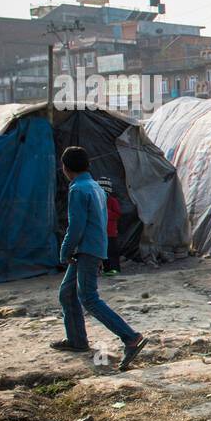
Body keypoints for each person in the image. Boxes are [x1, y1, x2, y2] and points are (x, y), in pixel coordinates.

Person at [52, 147, 146, 370]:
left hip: (86, 249)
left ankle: (130, 337)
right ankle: (77, 340)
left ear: (65, 168)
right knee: (67, 293)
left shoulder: (78, 190)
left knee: (88, 297)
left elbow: (75, 226)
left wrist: (65, 251)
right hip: (94, 247)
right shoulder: (94, 187)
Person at [97, 176, 122, 276]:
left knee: (112, 252)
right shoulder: (96, 201)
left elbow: (117, 214)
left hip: (111, 232)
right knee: (103, 252)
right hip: (100, 232)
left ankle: (115, 269)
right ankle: (106, 269)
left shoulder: (112, 201)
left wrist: (106, 212)